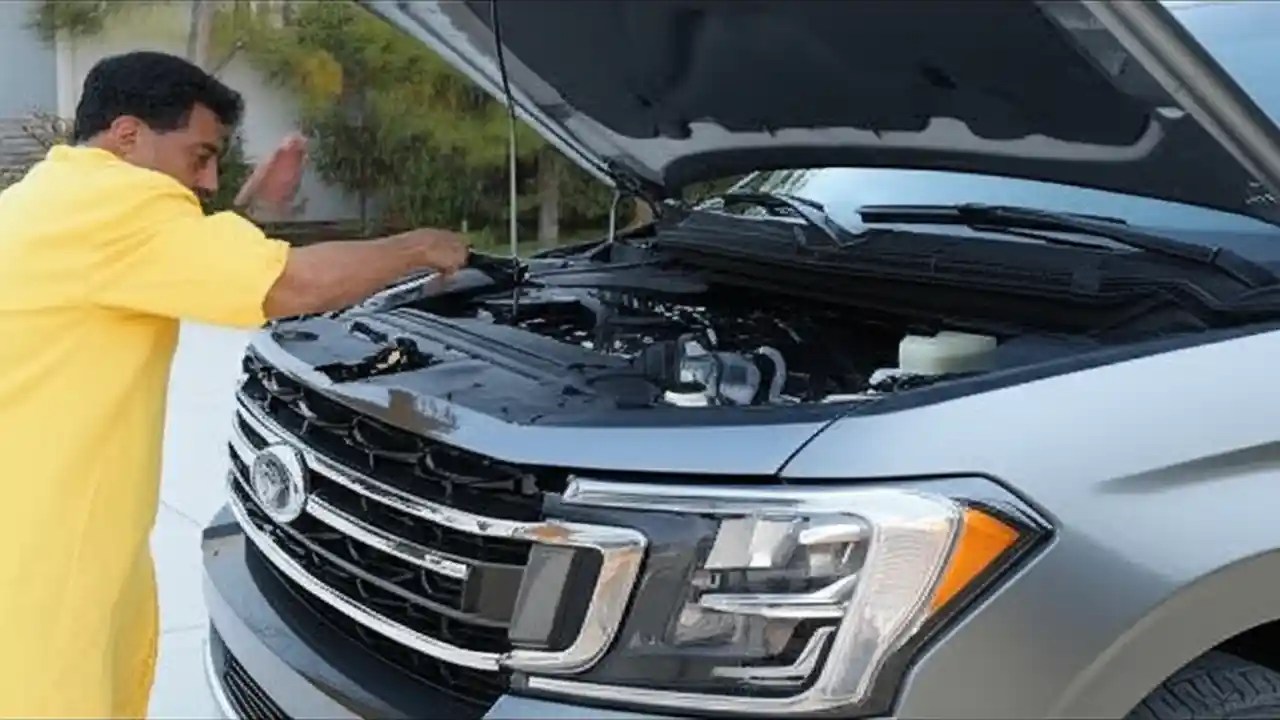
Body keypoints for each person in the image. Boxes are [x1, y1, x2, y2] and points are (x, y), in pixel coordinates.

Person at [0, 50, 468, 717]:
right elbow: (289, 285)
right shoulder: (114, 205)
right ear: (128, 134)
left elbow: (186, 257)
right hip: (39, 560)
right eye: (200, 156)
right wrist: (418, 247)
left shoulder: (60, 196)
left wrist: (253, 213)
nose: (212, 180)